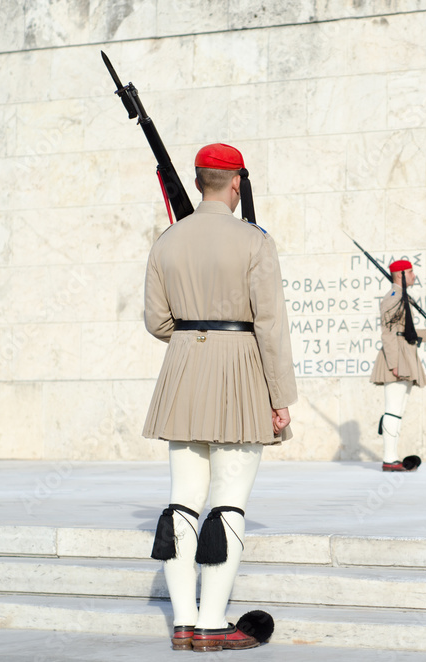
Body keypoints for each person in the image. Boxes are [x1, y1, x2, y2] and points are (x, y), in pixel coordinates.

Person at [143, 143, 296, 651]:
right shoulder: (254, 241)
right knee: (228, 504)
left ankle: (183, 623)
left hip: (183, 374)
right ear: (236, 184)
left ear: (198, 179)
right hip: (242, 373)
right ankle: (211, 625)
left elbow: (157, 322)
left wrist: (194, 342)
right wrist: (280, 395)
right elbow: (270, 326)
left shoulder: (166, 241)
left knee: (182, 503)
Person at [370, 260, 426, 471]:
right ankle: (389, 459)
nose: (414, 275)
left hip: (405, 353)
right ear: (400, 274)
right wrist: (393, 364)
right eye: (410, 272)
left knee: (398, 410)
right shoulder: (392, 298)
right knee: (392, 409)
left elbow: (403, 329)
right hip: (398, 357)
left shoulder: (402, 297)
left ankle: (392, 456)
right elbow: (388, 333)